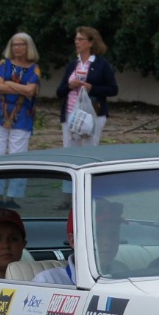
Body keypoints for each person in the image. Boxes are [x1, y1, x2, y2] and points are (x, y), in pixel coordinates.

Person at [56, 26, 119, 208]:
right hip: (71, 113)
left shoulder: (101, 64)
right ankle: (68, 195)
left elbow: (113, 89)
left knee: (90, 150)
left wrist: (92, 87)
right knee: (69, 152)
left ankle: (90, 193)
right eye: (76, 39)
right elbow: (59, 92)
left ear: (91, 43)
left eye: (81, 39)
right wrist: (69, 85)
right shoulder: (72, 65)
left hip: (94, 112)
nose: (77, 42)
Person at [0, 32, 41, 209]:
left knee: (19, 155)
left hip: (22, 115)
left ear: (28, 47)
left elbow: (31, 91)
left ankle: (13, 196)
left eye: (21, 44)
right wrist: (21, 88)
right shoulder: (5, 64)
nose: (18, 47)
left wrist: (9, 84)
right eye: (15, 44)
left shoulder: (34, 68)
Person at [33, 201, 125, 284]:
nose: (107, 241)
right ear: (73, 241)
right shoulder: (49, 282)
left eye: (113, 233)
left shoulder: (122, 272)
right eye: (97, 234)